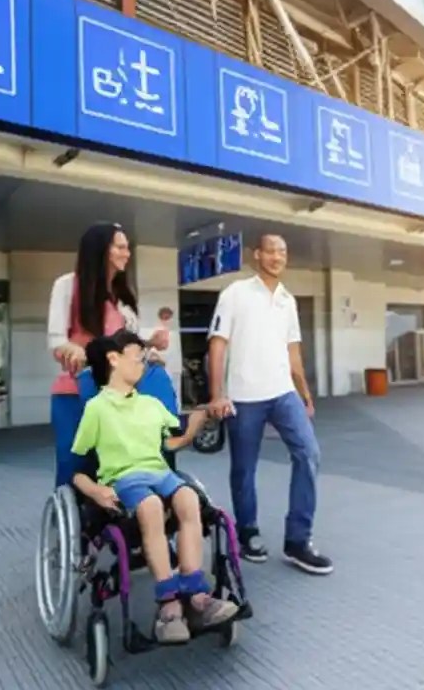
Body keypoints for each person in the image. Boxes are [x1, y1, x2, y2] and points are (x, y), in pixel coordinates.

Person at [70, 330, 239, 643]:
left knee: (188, 497)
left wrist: (203, 416)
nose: (144, 364)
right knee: (150, 507)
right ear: (113, 359)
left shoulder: (149, 404)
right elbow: (77, 471)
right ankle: (168, 605)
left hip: (160, 473)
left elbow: (171, 442)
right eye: (138, 357)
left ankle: (196, 595)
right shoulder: (97, 408)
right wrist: (95, 491)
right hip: (126, 478)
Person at [206, 233, 333, 575]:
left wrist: (304, 393)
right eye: (271, 251)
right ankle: (248, 532)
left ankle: (297, 541)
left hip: (282, 393)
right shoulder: (235, 293)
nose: (277, 256)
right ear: (256, 255)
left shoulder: (288, 301)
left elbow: (293, 354)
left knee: (309, 453)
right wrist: (217, 393)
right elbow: (217, 345)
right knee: (244, 469)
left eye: (283, 251)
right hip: (244, 397)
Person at [48, 221, 172, 489]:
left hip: (118, 396)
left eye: (128, 248)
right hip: (75, 391)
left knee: (120, 459)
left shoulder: (123, 299)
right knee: (74, 461)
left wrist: (150, 347)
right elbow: (55, 340)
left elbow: (129, 345)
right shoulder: (68, 286)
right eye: (120, 247)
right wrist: (73, 349)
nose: (126, 253)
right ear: (100, 249)